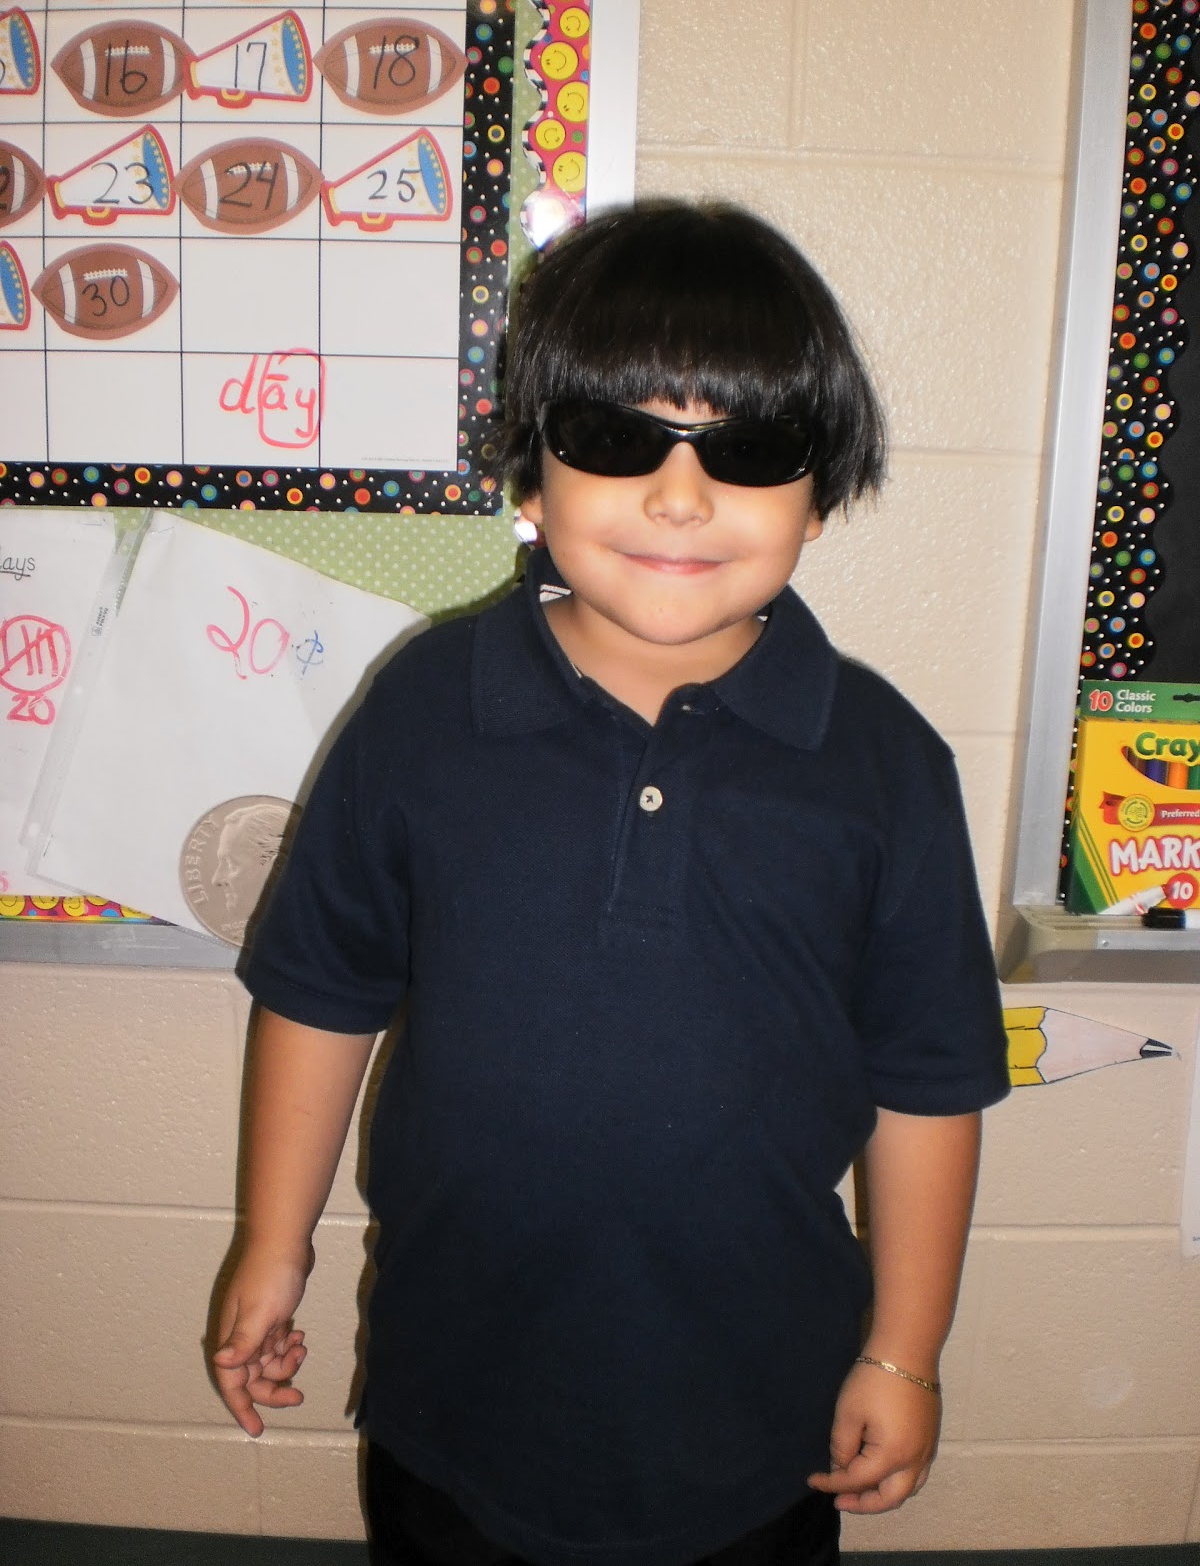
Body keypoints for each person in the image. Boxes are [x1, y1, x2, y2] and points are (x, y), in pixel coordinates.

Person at [211, 201, 1010, 1566]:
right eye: (616, 438)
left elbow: (927, 1080)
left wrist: (906, 1353)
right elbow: (321, 991)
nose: (682, 495)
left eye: (748, 450)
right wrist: (271, 1243)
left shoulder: (882, 762)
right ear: (531, 478)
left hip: (760, 1415)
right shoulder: (426, 709)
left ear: (821, 494)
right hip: (454, 1394)